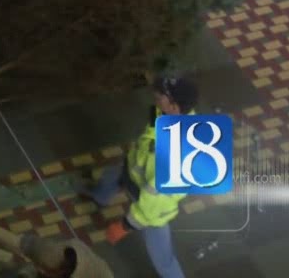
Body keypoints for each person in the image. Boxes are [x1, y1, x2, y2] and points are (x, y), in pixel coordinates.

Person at [78, 75, 199, 278]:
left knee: (163, 258)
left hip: (151, 209)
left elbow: (155, 203)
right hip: (133, 169)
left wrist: (125, 225)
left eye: (160, 95)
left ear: (175, 107)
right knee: (112, 176)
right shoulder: (169, 114)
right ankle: (99, 196)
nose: (155, 97)